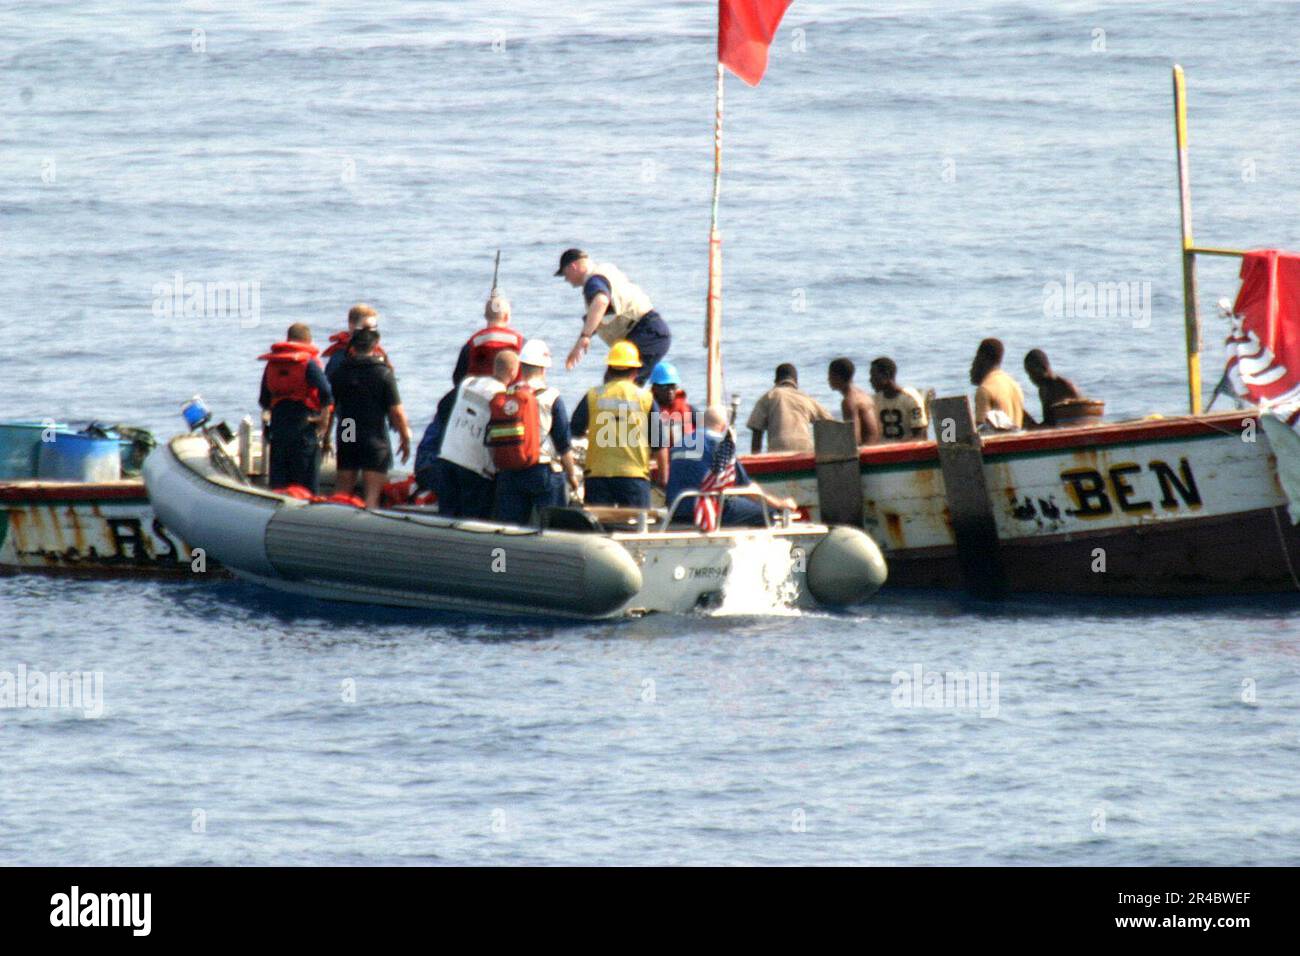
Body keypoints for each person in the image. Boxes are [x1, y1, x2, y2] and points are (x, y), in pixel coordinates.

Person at [490, 340, 582, 525]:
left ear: (521, 367)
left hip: (510, 471)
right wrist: (572, 475)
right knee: (551, 528)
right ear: (543, 369)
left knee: (509, 528)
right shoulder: (552, 397)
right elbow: (563, 444)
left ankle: (505, 554)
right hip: (543, 473)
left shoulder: (507, 394)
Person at [569, 340, 668, 508]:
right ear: (636, 371)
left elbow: (574, 431)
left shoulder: (593, 396)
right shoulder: (645, 399)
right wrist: (663, 479)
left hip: (597, 478)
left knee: (598, 530)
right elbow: (659, 445)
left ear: (609, 369)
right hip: (634, 478)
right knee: (635, 529)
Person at [556, 248, 671, 387]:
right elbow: (598, 316)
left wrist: (585, 336)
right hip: (650, 331)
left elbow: (601, 301)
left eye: (565, 274)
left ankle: (635, 408)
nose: (566, 280)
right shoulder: (606, 272)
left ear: (572, 267)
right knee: (619, 383)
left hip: (645, 332)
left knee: (618, 385)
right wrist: (578, 345)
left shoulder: (593, 281)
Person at [666, 406, 798, 526]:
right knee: (769, 513)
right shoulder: (719, 445)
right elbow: (748, 489)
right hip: (709, 511)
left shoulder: (680, 444)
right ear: (724, 427)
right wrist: (781, 504)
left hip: (677, 511)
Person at [328, 328, 411, 508]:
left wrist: (326, 437)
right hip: (372, 432)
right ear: (375, 346)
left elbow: (330, 409)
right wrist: (405, 439)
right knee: (372, 494)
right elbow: (397, 412)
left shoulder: (340, 372)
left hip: (348, 429)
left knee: (343, 490)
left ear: (352, 347)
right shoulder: (382, 373)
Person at [437, 349, 515, 518]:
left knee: (447, 514)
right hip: (475, 467)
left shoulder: (468, 383)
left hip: (448, 457)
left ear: (494, 367)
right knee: (474, 518)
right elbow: (500, 438)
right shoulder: (503, 398)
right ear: (513, 372)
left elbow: (442, 408)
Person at [258, 323, 333, 494]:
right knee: (306, 487)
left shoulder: (272, 364)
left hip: (279, 430)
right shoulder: (307, 363)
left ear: (288, 340)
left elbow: (263, 400)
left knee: (279, 485)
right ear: (308, 341)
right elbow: (327, 391)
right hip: (304, 428)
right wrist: (323, 416)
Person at [746, 363, 835, 454]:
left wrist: (755, 457)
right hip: (805, 449)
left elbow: (756, 431)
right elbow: (830, 424)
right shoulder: (805, 398)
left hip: (778, 450)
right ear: (796, 382)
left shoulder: (768, 397)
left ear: (776, 381)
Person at [453, 293, 526, 383]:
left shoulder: (472, 342)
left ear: (485, 316)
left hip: (479, 393)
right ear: (506, 316)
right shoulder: (521, 342)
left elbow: (458, 378)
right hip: (510, 393)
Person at [969, 337, 1025, 432]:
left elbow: (982, 431)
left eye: (975, 359)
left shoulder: (985, 389)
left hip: (1000, 445)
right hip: (1016, 442)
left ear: (982, 358)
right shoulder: (1014, 385)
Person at [868, 357, 930, 441]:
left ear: (886, 375)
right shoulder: (874, 400)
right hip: (882, 450)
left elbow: (920, 436)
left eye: (874, 376)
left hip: (907, 450)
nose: (870, 380)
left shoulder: (910, 399)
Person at [323, 303, 390, 381]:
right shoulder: (339, 356)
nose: (370, 332)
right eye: (365, 327)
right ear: (351, 325)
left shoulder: (379, 353)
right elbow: (328, 386)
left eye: (374, 328)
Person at [827, 357, 882, 446]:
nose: (828, 379)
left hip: (866, 451)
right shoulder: (864, 395)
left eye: (829, 376)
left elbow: (853, 438)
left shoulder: (849, 401)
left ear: (837, 377)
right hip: (875, 446)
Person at [1023, 349, 1082, 428]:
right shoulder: (1043, 390)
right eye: (1028, 374)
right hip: (1053, 429)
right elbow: (1048, 422)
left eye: (1032, 373)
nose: (1030, 378)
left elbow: (1082, 418)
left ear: (1043, 368)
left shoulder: (1066, 387)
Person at [648, 361, 697, 450]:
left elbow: (707, 434)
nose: (670, 391)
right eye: (665, 387)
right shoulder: (646, 412)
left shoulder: (690, 410)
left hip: (684, 459)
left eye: (673, 386)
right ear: (654, 388)